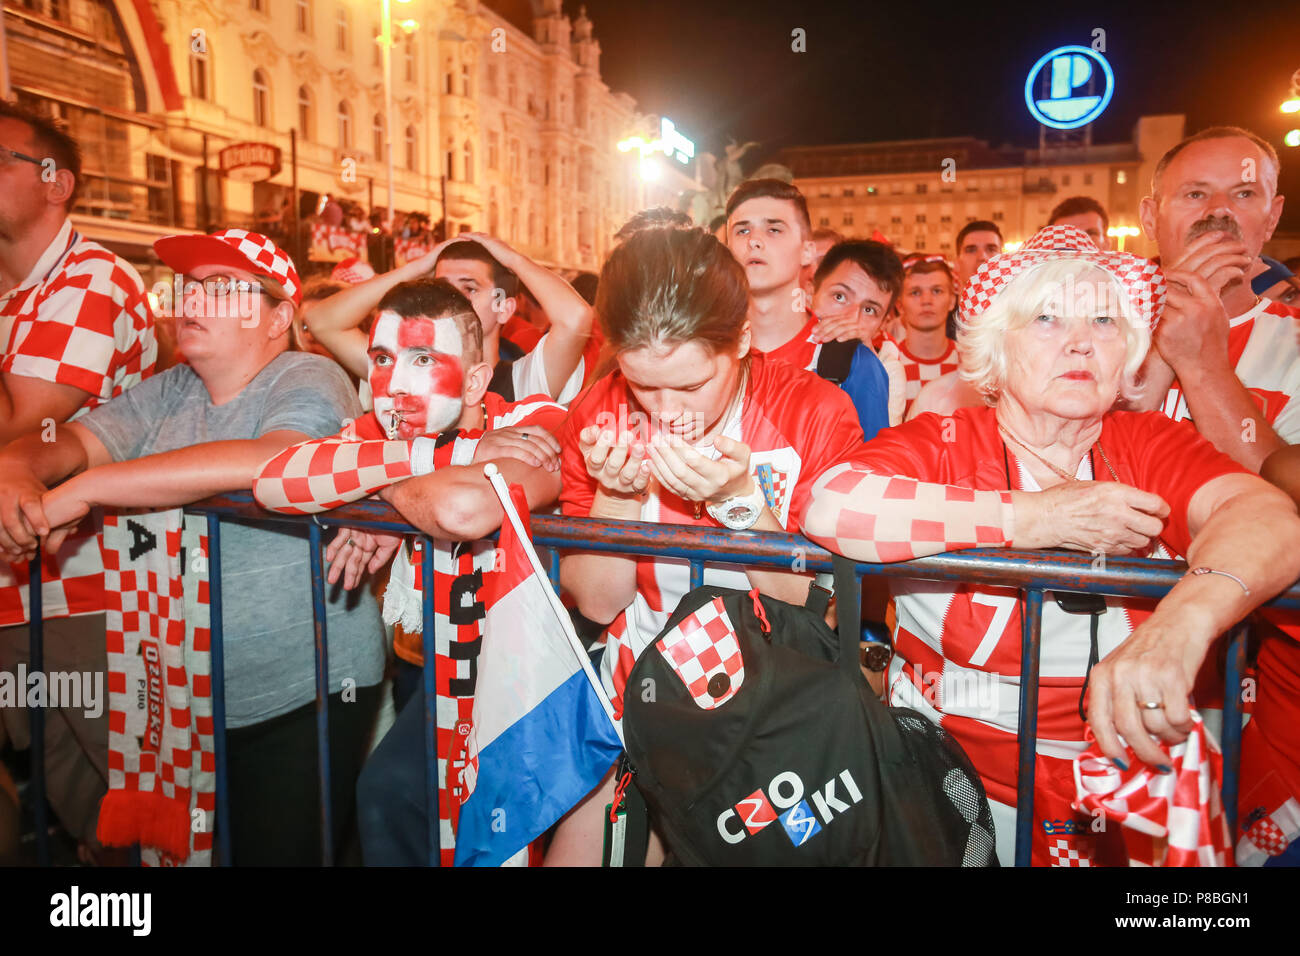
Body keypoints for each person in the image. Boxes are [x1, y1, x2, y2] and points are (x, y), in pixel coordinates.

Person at [801, 224, 1300, 866]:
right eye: (1045, 319)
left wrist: (1179, 626)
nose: (1080, 342)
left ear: (1130, 352)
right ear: (996, 350)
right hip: (957, 798)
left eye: (1103, 320)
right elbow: (832, 501)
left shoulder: (1149, 441)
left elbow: (1268, 516)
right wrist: (1038, 517)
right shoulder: (944, 439)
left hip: (1132, 800)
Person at [0, 228, 385, 865]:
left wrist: (90, 488)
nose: (193, 302)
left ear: (279, 318)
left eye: (224, 289)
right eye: (190, 288)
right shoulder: (171, 387)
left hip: (304, 687)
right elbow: (66, 439)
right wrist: (18, 466)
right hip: (186, 691)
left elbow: (274, 457)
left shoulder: (309, 373)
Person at [545, 225, 873, 865]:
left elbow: (822, 606)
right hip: (639, 682)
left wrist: (743, 509)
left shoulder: (814, 410)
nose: (666, 410)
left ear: (742, 340)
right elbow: (596, 601)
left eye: (691, 385)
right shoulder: (599, 411)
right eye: (643, 384)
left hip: (776, 699)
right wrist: (615, 501)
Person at [252, 276, 565, 866]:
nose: (395, 383)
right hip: (431, 665)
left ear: (475, 380)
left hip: (527, 678)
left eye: (424, 359)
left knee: (444, 812)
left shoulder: (535, 414)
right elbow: (275, 480)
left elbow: (461, 509)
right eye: (381, 358)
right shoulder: (390, 436)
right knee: (393, 798)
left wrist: (372, 489)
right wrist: (402, 484)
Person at [0, 99, 157, 859]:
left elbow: (26, 426)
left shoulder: (89, 278)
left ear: (56, 181)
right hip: (17, 583)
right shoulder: (8, 293)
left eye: (1, 159)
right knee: (62, 780)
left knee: (122, 782)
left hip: (90, 587)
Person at [1134, 126, 1299, 471]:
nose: (1220, 211)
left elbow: (1284, 497)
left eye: (1243, 194)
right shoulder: (1082, 325)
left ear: (1272, 218)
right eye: (1195, 194)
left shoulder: (1294, 343)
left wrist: (1203, 365)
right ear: (1151, 219)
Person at [303, 233, 592, 404]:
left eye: (469, 288)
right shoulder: (408, 372)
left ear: (504, 307)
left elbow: (576, 317)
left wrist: (511, 258)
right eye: (443, 288)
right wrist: (416, 268)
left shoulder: (525, 381)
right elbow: (323, 321)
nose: (452, 300)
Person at [725, 179, 871, 366]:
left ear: (807, 252)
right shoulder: (705, 350)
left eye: (774, 230)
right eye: (743, 231)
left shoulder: (851, 360)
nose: (754, 240)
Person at [807, 239, 905, 437]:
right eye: (840, 297)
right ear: (810, 292)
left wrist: (868, 371)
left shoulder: (885, 367)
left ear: (883, 324)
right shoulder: (770, 343)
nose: (850, 317)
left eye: (869, 310)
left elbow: (877, 450)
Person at [892, 254, 960, 418]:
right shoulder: (888, 364)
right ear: (899, 305)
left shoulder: (972, 362)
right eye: (915, 292)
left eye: (937, 291)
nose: (926, 300)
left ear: (952, 300)